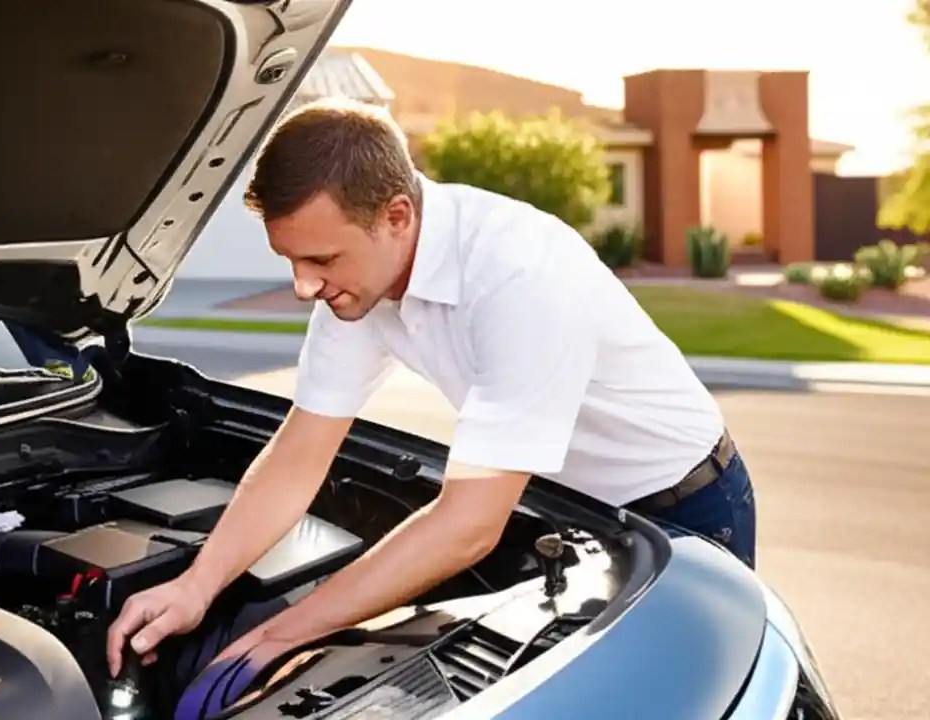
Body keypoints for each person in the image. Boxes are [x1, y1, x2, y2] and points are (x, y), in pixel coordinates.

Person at [106, 97, 757, 706]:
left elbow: (470, 524)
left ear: (396, 215)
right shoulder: (354, 285)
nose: (304, 286)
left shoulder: (517, 275)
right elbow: (298, 456)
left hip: (679, 506)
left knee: (674, 704)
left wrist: (285, 634)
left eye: (321, 259)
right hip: (565, 509)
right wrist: (198, 585)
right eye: (291, 261)